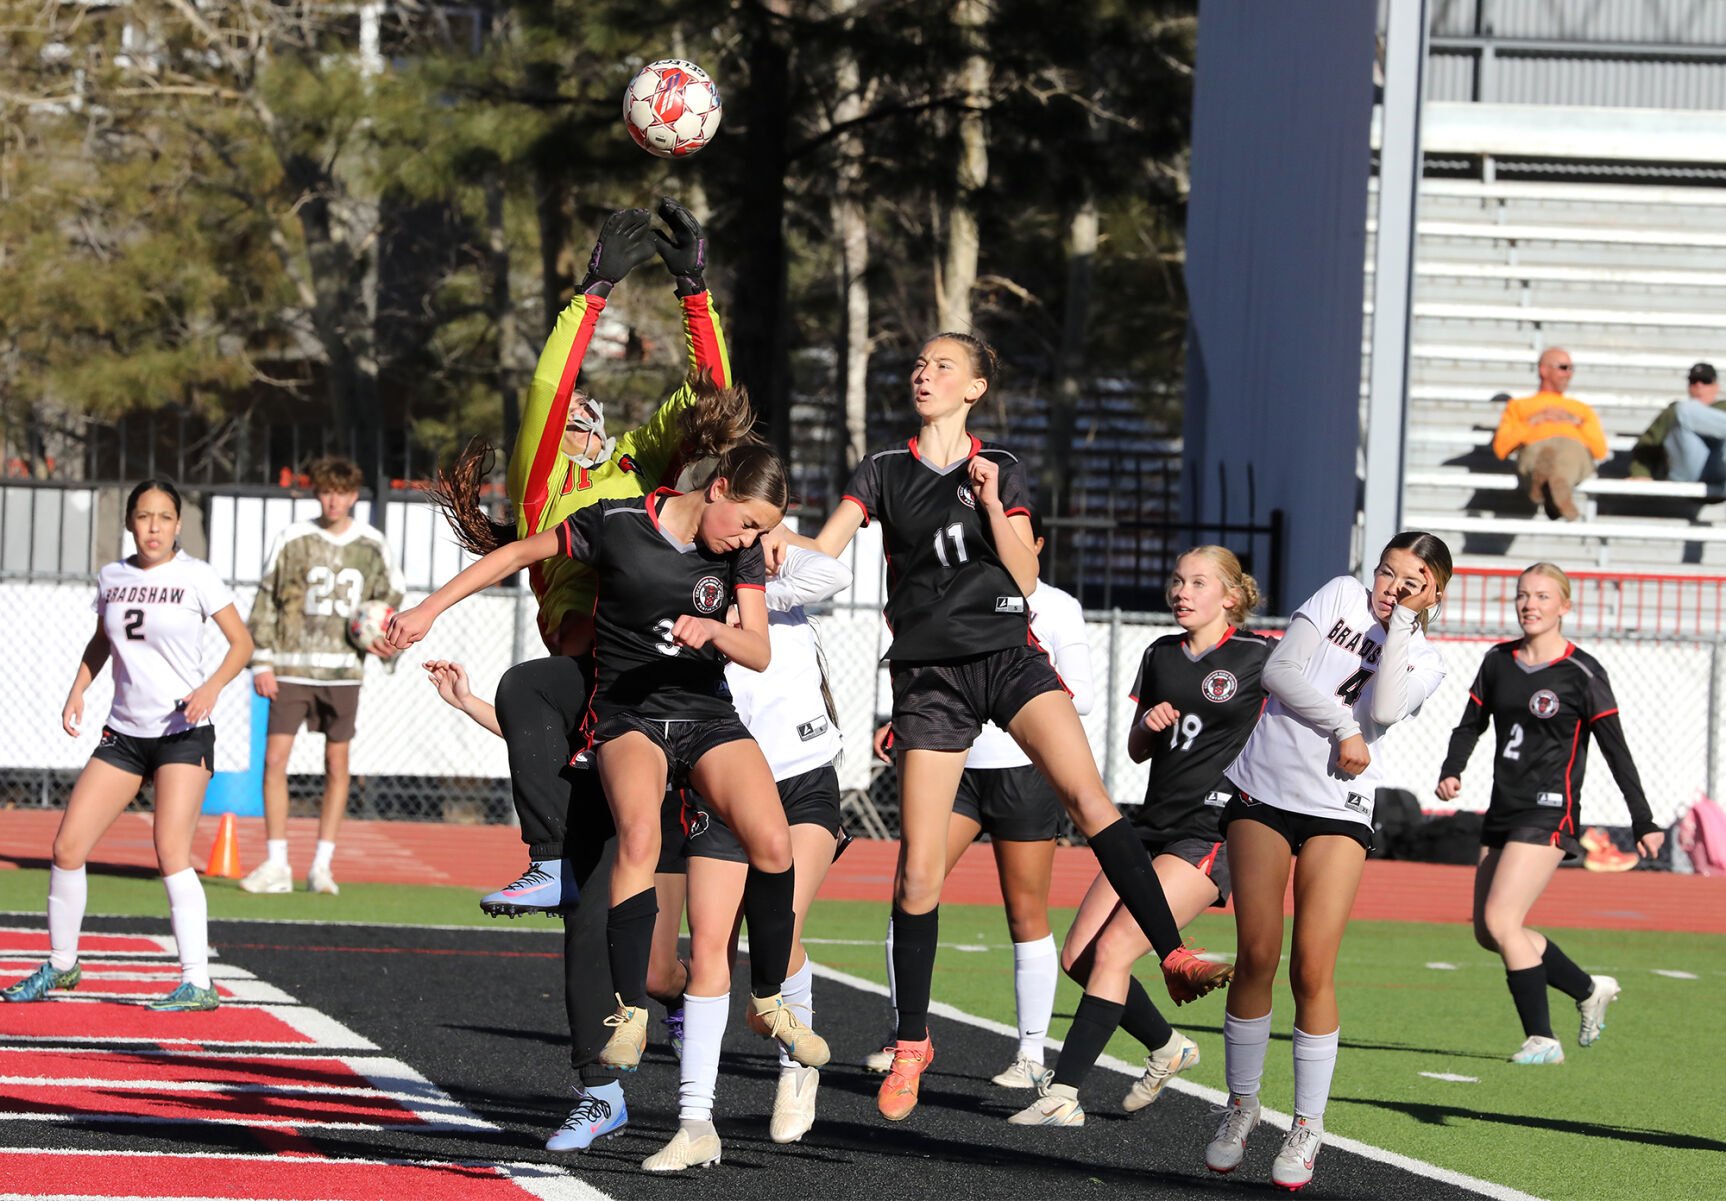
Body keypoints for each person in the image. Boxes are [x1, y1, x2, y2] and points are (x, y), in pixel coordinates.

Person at [767, 331, 1228, 1124]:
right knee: (917, 868)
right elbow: (827, 549)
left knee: (1092, 800)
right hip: (930, 676)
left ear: (975, 386)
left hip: (1008, 654)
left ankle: (1174, 950)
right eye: (919, 364)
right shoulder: (882, 469)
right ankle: (912, 1040)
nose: (925, 374)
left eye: (943, 365)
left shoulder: (1002, 467)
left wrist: (988, 499)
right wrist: (775, 540)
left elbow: (1024, 572)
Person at [421, 200, 747, 1152]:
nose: (579, 427)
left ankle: (753, 1012)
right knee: (584, 912)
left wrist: (695, 294)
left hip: (662, 698)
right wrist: (590, 294)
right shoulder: (550, 494)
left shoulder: (652, 481)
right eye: (569, 424)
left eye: (592, 420)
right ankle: (597, 1087)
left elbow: (712, 404)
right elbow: (545, 390)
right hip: (591, 691)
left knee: (691, 910)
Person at [390, 443, 827, 1086]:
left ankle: (769, 1000)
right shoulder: (617, 521)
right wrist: (428, 610)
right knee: (639, 838)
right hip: (629, 715)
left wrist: (715, 633)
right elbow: (515, 553)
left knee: (771, 841)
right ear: (719, 488)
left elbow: (758, 651)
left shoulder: (740, 558)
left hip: (706, 714)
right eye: (748, 520)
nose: (752, 537)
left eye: (762, 528)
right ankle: (629, 1013)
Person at [1205, 532, 1450, 1191]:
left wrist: (1398, 626)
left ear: (1432, 593)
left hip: (1339, 806)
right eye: (1387, 572)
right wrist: (1342, 728)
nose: (1390, 585)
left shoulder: (1427, 658)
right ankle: (1241, 1103)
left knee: (1313, 965)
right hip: (1265, 789)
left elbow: (1387, 710)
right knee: (1257, 953)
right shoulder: (1340, 593)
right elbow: (1280, 673)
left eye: (1410, 581)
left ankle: (1307, 1123)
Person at [1009, 547, 1272, 1127]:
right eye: (1177, 580)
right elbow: (1135, 747)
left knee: (1115, 951)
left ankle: (1065, 1092)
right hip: (1149, 827)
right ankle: (1168, 1045)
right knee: (1078, 957)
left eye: (1199, 583)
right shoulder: (1159, 654)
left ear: (1230, 596)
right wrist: (1147, 726)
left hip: (1208, 835)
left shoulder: (1260, 656)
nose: (1182, 591)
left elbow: (1307, 707)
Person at [861, 509, 1094, 1091]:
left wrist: (1012, 695)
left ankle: (1031, 1053)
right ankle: (904, 1035)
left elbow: (1080, 697)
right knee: (914, 883)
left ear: (1034, 543)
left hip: (1019, 772)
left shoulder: (1058, 607)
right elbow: (935, 678)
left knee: (1025, 912)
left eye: (1015, 535)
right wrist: (906, 722)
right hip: (957, 769)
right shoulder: (952, 591)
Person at [4, 481, 252, 1011]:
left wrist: (211, 687)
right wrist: (79, 687)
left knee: (170, 853)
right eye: (144, 516)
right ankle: (62, 966)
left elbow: (242, 643)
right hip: (123, 735)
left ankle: (198, 982)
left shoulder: (197, 576)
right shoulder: (112, 576)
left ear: (179, 524)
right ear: (130, 522)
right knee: (67, 848)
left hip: (181, 734)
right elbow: (104, 638)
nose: (154, 526)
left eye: (165, 516)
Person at [644, 543, 852, 1171]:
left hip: (803, 778)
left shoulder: (778, 578)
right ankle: (694, 1122)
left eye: (758, 524)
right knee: (709, 948)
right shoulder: (686, 590)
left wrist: (759, 572)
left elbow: (834, 571)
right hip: (727, 778)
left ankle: (795, 1066)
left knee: (777, 928)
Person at [1435, 562, 1664, 1066]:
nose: (1529, 604)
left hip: (1549, 811)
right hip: (1503, 809)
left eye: (1541, 596)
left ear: (1565, 606)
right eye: (1522, 595)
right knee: (1488, 932)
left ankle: (1543, 1039)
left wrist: (1644, 820)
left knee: (1502, 920)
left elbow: (1616, 752)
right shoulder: (1498, 661)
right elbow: (1470, 725)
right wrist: (1453, 769)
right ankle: (1587, 988)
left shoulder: (1582, 673)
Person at [239, 456, 402, 897]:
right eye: (327, 491)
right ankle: (276, 863)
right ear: (317, 493)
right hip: (292, 666)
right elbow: (267, 598)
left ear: (354, 496)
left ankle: (322, 865)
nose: (334, 500)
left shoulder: (372, 544)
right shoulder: (293, 538)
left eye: (343, 492)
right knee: (275, 760)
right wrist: (262, 661)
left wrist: (385, 644)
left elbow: (391, 601)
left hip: (344, 671)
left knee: (337, 764)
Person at [1490, 348, 1607, 521]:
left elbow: (1600, 450)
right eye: (1563, 367)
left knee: (1568, 456)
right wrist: (1533, 422)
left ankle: (1546, 486)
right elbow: (1501, 448)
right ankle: (1557, 491)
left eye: (1571, 369)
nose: (1569, 374)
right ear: (1543, 370)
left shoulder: (1581, 410)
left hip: (1572, 448)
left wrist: (1574, 422)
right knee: (1539, 454)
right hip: (1535, 446)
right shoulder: (1519, 406)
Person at [1628, 362, 1726, 484]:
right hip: (1687, 472)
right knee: (1684, 410)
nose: (1699, 386)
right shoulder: (1676, 412)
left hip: (1719, 471)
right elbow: (1647, 444)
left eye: (1705, 381)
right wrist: (1640, 473)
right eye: (1693, 381)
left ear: (1716, 386)